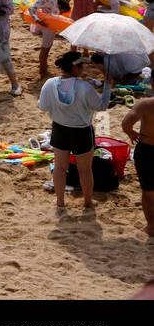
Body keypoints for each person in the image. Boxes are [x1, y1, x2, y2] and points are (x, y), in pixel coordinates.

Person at [40, 51, 105, 211]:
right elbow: (101, 106)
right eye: (82, 65)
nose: (84, 68)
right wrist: (108, 86)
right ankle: (88, 202)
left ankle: (60, 202)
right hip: (81, 132)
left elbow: (42, 106)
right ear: (75, 67)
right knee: (85, 170)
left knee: (60, 167)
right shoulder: (84, 87)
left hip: (59, 129)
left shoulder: (50, 83)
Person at [120, 95, 154, 236]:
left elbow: (126, 123)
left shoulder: (145, 103)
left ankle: (152, 227)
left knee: (149, 192)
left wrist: (131, 133)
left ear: (152, 82)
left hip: (147, 150)